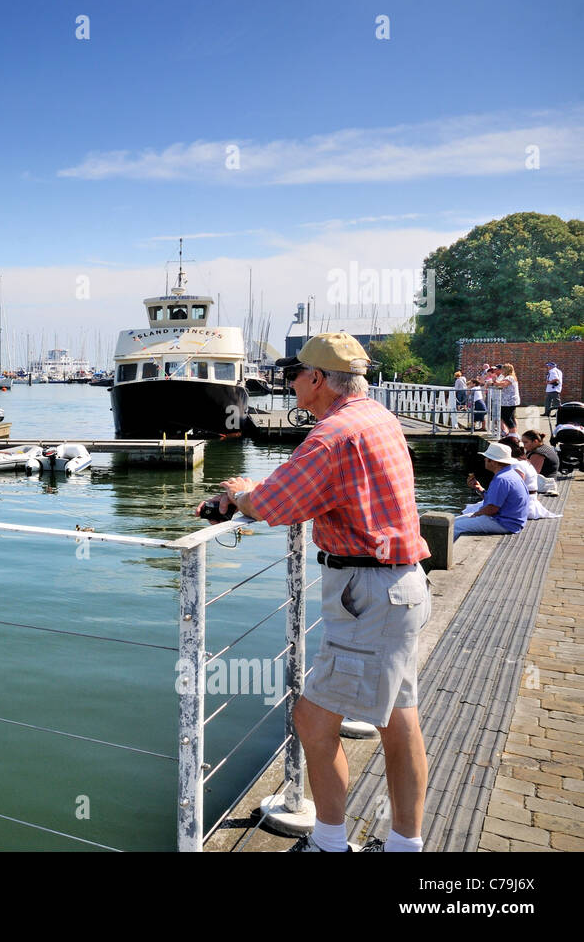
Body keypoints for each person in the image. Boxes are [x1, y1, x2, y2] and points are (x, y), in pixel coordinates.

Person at [195, 331, 431, 853]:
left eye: (295, 374)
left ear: (318, 379)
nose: (290, 382)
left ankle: (328, 843)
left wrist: (236, 496)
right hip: (401, 583)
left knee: (312, 717)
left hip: (367, 593)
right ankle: (403, 847)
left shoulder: (332, 435)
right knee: (398, 721)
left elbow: (277, 504)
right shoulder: (378, 417)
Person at [454, 442, 529, 537]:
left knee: (455, 527)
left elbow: (492, 509)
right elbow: (495, 501)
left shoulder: (501, 479)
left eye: (487, 458)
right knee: (453, 521)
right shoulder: (510, 474)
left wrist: (477, 514)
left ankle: (445, 552)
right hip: (511, 521)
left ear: (493, 461)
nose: (485, 459)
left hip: (504, 523)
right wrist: (479, 489)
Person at [493, 363, 520, 437]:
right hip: (507, 401)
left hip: (509, 401)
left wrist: (495, 382)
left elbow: (503, 384)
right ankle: (512, 432)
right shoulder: (509, 377)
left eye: (503, 369)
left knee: (507, 417)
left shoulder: (509, 377)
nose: (502, 371)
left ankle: (513, 433)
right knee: (508, 417)